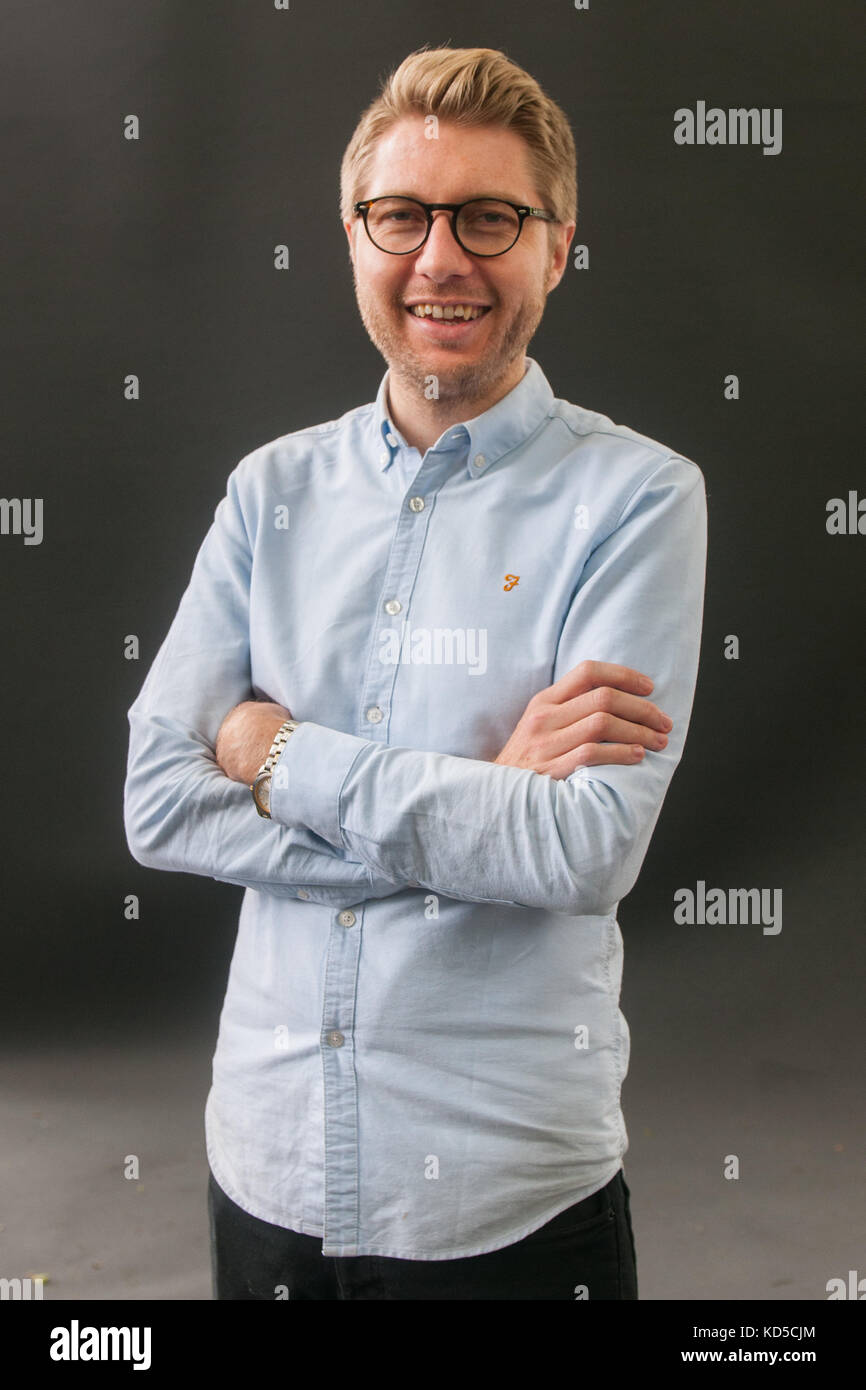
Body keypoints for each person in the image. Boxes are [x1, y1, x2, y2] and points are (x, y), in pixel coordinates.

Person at [123, 45, 706, 1300]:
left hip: (505, 1200)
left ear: (554, 247)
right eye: (401, 215)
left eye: (490, 217)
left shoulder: (638, 499)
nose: (441, 257)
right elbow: (156, 800)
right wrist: (471, 800)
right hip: (265, 1167)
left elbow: (580, 852)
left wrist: (278, 754)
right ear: (353, 238)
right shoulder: (267, 491)